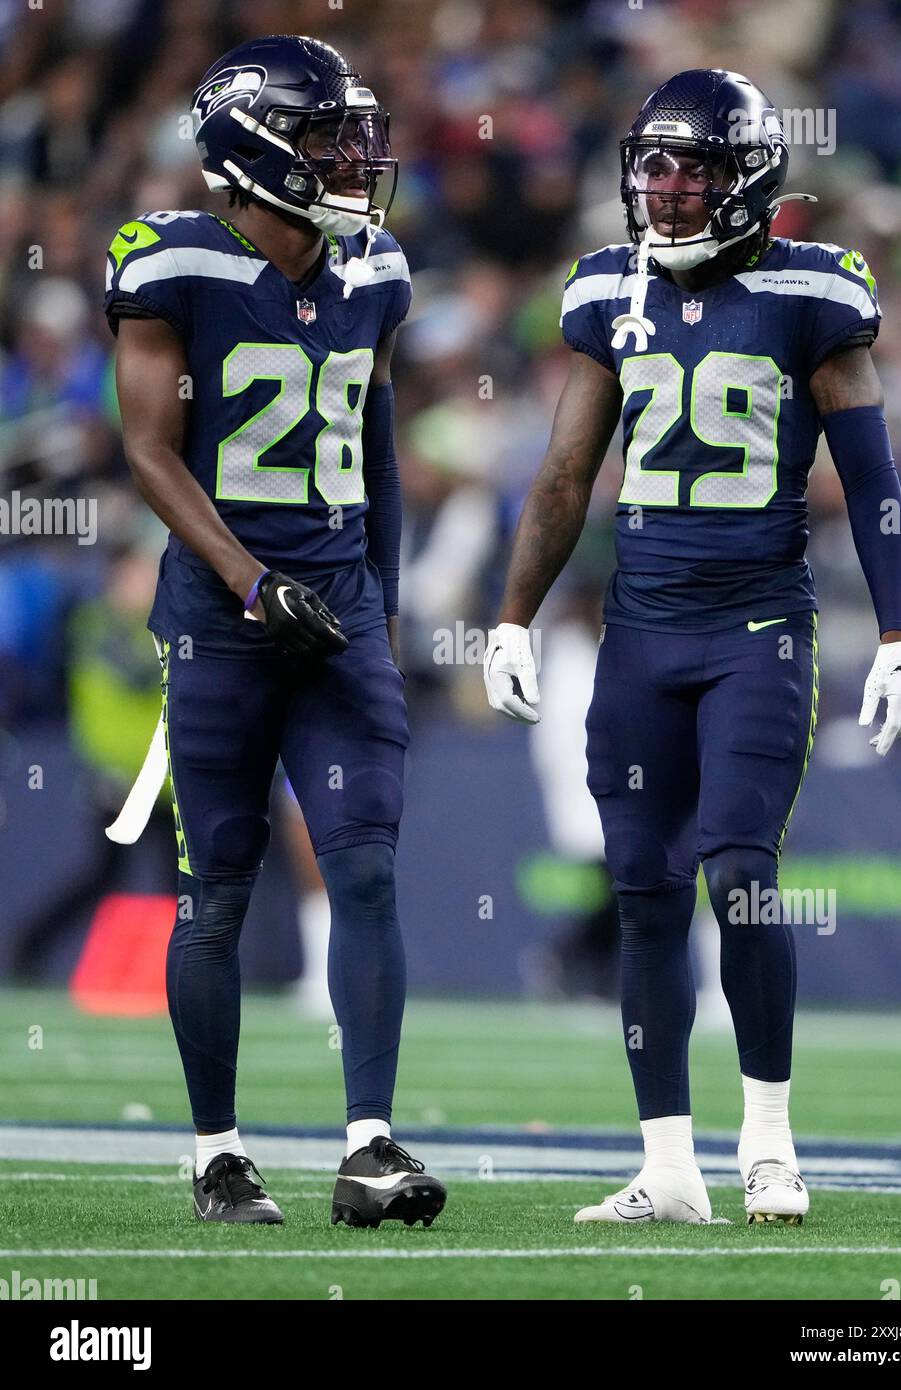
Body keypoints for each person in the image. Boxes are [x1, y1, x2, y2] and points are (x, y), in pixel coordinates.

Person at [484, 69, 901, 1225]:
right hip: (639, 633)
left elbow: (873, 482)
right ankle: (667, 1163)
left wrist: (897, 631)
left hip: (757, 628)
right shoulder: (605, 290)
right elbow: (567, 474)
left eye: (696, 169)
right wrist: (511, 615)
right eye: (656, 166)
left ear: (750, 180)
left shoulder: (811, 292)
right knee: (641, 893)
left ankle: (769, 1144)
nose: (670, 191)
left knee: (742, 873)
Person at [106, 34, 445, 1229]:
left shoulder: (374, 270)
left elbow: (381, 449)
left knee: (364, 864)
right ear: (251, 149)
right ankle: (217, 1155)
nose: (350, 155)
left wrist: (381, 612)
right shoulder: (172, 261)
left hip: (338, 613)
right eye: (322, 135)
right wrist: (251, 583)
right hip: (222, 619)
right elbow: (149, 451)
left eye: (350, 131)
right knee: (218, 890)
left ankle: (370, 1147)